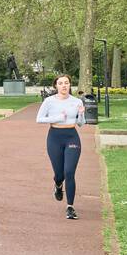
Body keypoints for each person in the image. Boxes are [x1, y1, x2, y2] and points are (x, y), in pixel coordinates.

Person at [36, 74, 87, 220]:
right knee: (60, 174)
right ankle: (58, 185)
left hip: (72, 136)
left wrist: (82, 115)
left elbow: (81, 123)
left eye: (66, 83)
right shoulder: (49, 101)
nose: (64, 86)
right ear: (56, 86)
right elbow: (39, 119)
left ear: (70, 85)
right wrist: (58, 118)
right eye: (60, 83)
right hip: (54, 137)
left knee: (69, 172)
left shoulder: (76, 101)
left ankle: (70, 207)